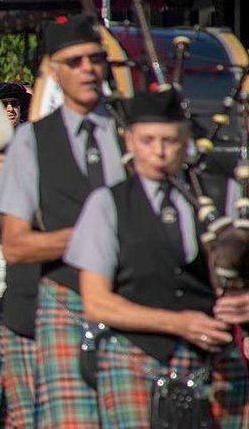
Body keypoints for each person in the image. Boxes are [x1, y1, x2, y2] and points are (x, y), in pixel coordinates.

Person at [67, 89, 247, 426]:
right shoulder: (107, 204)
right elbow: (96, 302)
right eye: (148, 141)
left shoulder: (224, 195)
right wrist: (179, 323)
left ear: (186, 142)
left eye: (170, 141)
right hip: (135, 358)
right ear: (130, 142)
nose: (160, 153)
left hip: (217, 360)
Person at [0, 15, 125, 428]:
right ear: (53, 72)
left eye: (94, 59)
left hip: (130, 302)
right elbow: (15, 244)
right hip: (56, 304)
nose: (87, 68)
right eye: (74, 60)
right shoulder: (33, 140)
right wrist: (96, 235)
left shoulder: (131, 130)